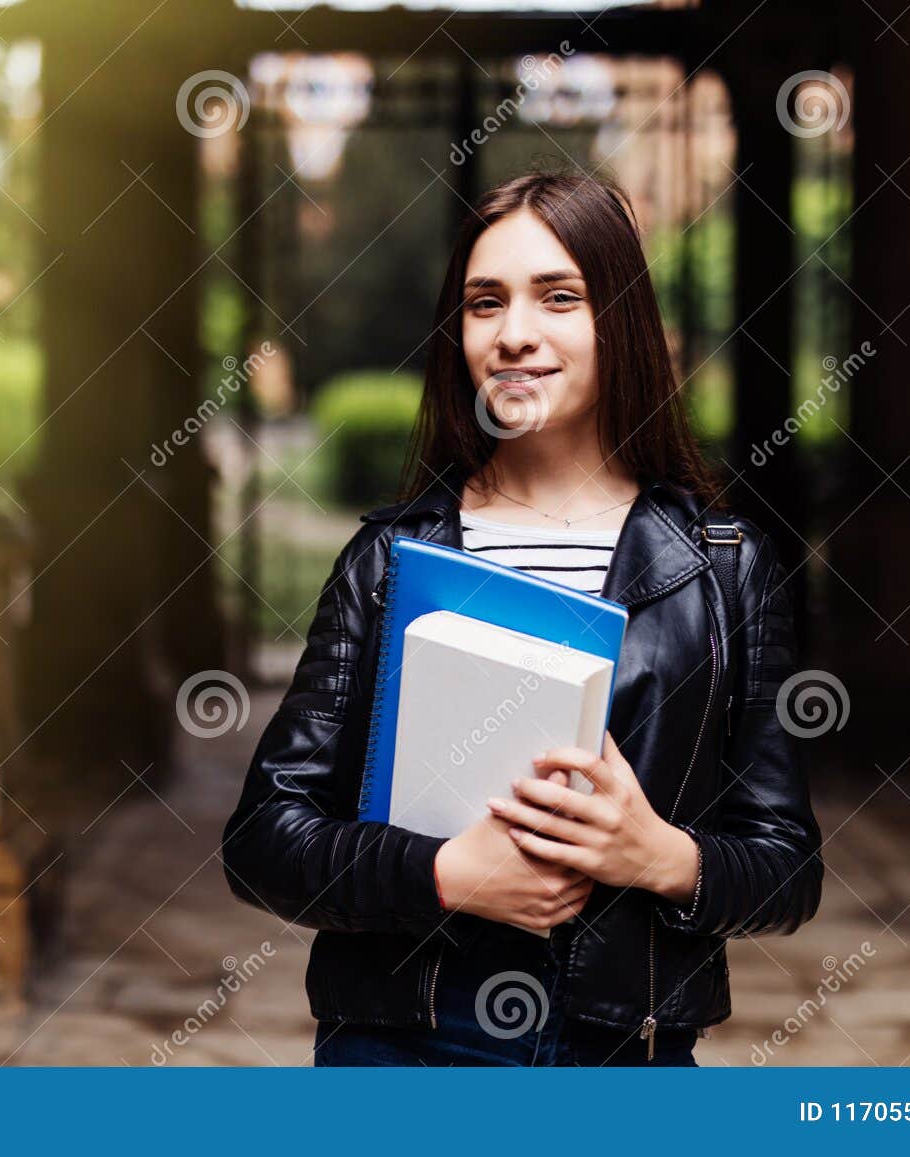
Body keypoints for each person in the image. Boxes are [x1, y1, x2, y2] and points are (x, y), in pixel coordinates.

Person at [220, 169, 823, 1067]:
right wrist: (443, 876)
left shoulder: (724, 569)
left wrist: (659, 854)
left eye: (558, 296)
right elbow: (264, 838)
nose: (513, 334)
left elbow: (787, 866)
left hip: (623, 1052)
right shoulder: (387, 564)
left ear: (615, 318)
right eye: (483, 302)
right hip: (403, 1042)